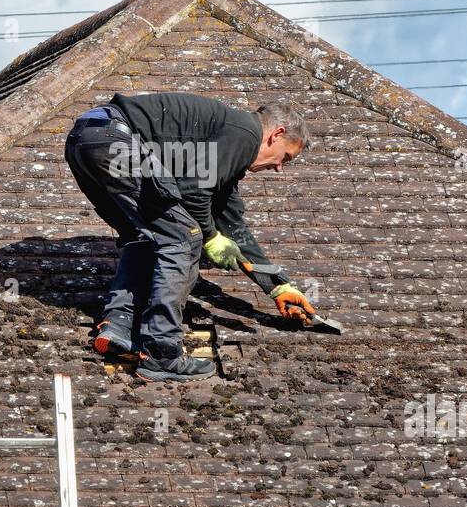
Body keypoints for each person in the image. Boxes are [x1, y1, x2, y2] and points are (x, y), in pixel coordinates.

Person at [64, 91, 314, 381]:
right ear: (277, 133)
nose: (279, 168)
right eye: (285, 156)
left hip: (86, 142)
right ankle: (162, 353)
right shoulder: (246, 133)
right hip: (117, 142)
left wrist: (278, 287)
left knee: (146, 237)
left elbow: (232, 226)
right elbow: (194, 192)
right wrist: (208, 236)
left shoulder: (225, 147)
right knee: (184, 237)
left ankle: (118, 325)